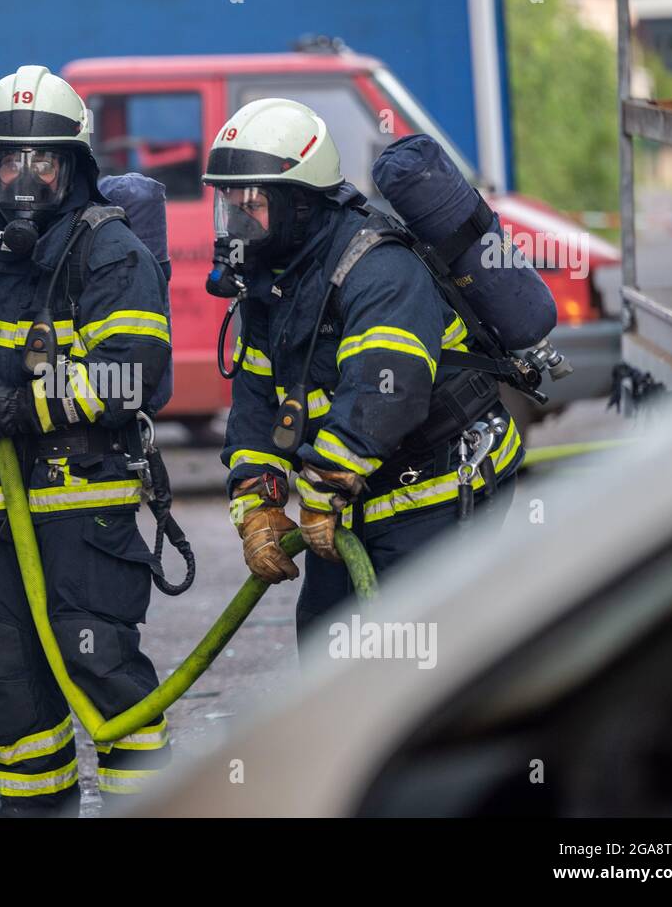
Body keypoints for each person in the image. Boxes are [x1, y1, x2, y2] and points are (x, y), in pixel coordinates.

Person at [0, 66, 174, 816]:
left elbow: (134, 377)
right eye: (7, 160)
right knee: (7, 681)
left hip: (85, 514)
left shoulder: (109, 255)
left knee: (103, 671)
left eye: (41, 160)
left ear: (71, 163)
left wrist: (24, 408)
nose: (22, 177)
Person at [206, 98, 522, 646]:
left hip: (434, 489)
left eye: (252, 204)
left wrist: (323, 490)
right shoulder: (271, 280)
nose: (236, 222)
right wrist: (256, 499)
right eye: (228, 204)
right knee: (328, 644)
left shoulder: (378, 266)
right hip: (353, 498)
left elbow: (387, 390)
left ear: (300, 203)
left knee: (417, 657)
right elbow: (257, 400)